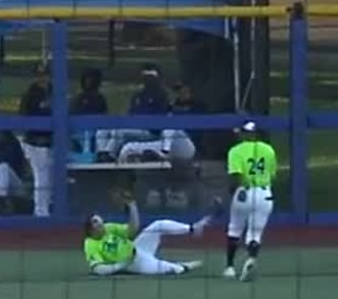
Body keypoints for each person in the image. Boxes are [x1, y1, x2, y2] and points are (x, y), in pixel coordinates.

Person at [83, 190, 211, 277]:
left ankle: (193, 228)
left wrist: (132, 206)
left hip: (138, 247)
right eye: (97, 223)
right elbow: (98, 269)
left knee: (158, 225)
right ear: (90, 229)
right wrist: (122, 265)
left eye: (100, 221)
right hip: (134, 264)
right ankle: (184, 266)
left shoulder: (108, 228)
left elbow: (133, 230)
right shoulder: (90, 244)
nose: (102, 224)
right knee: (172, 269)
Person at [224, 121, 278, 282]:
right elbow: (273, 174)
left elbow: (235, 175)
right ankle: (251, 258)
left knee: (235, 228)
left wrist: (233, 191)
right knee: (255, 232)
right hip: (265, 194)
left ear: (243, 134)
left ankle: (230, 267)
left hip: (244, 192)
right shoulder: (268, 150)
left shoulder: (236, 151)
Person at [18, 62, 53, 216]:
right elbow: (23, 118)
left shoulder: (55, 91)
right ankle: (40, 212)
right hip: (35, 142)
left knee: (51, 177)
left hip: (52, 141)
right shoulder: (31, 94)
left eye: (45, 74)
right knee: (42, 177)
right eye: (39, 75)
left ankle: (49, 207)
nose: (43, 78)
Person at [71, 68, 109, 155]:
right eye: (88, 79)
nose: (89, 82)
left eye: (92, 79)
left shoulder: (100, 99)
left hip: (96, 130)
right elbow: (73, 115)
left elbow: (104, 116)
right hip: (80, 130)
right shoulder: (79, 98)